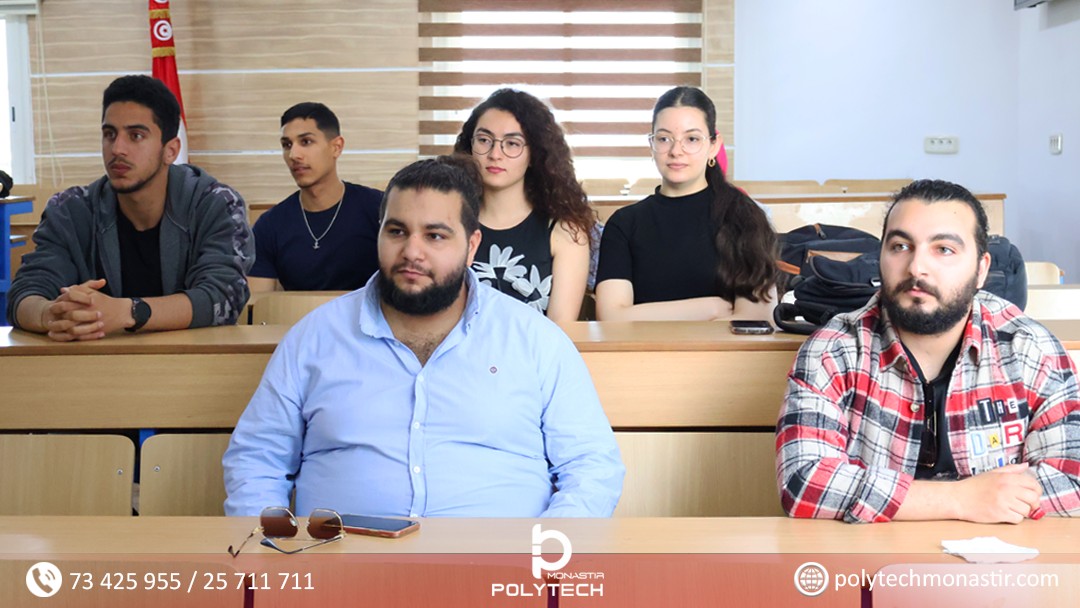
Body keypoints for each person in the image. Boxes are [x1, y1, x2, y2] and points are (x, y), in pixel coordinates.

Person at [223, 155, 624, 517]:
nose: (412, 251)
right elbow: (257, 460)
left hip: (500, 579)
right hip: (344, 574)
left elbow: (591, 466)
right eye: (397, 231)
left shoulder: (536, 340)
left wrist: (543, 557)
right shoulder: (313, 338)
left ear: (471, 247)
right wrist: (272, 550)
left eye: (435, 236)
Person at [776, 179, 1080, 523]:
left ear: (981, 270)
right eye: (900, 246)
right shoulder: (835, 349)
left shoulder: (1029, 347)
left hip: (999, 569)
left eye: (944, 250)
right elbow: (804, 482)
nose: (916, 267)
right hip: (870, 566)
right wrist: (962, 499)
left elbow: (1074, 478)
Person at [6, 75, 253, 339]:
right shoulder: (70, 210)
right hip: (95, 370)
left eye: (136, 135)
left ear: (171, 150)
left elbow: (222, 298)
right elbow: (24, 293)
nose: (117, 149)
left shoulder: (216, 203)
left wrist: (128, 312)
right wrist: (51, 315)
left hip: (193, 368)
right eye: (109, 134)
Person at [595, 86, 777, 321]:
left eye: (691, 139)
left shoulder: (744, 216)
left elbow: (755, 322)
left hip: (727, 357)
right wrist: (711, 308)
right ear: (651, 145)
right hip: (643, 356)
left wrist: (640, 315)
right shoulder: (624, 223)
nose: (675, 151)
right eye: (664, 139)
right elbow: (611, 319)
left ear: (713, 145)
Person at [452, 89, 594, 323]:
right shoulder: (449, 220)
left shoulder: (564, 231)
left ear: (535, 154)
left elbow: (559, 333)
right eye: (484, 140)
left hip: (533, 358)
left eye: (512, 143)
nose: (495, 154)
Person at [247, 102, 382, 292]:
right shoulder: (270, 225)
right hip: (297, 320)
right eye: (287, 145)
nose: (294, 155)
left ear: (336, 147)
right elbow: (257, 307)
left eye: (306, 142)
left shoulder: (379, 209)